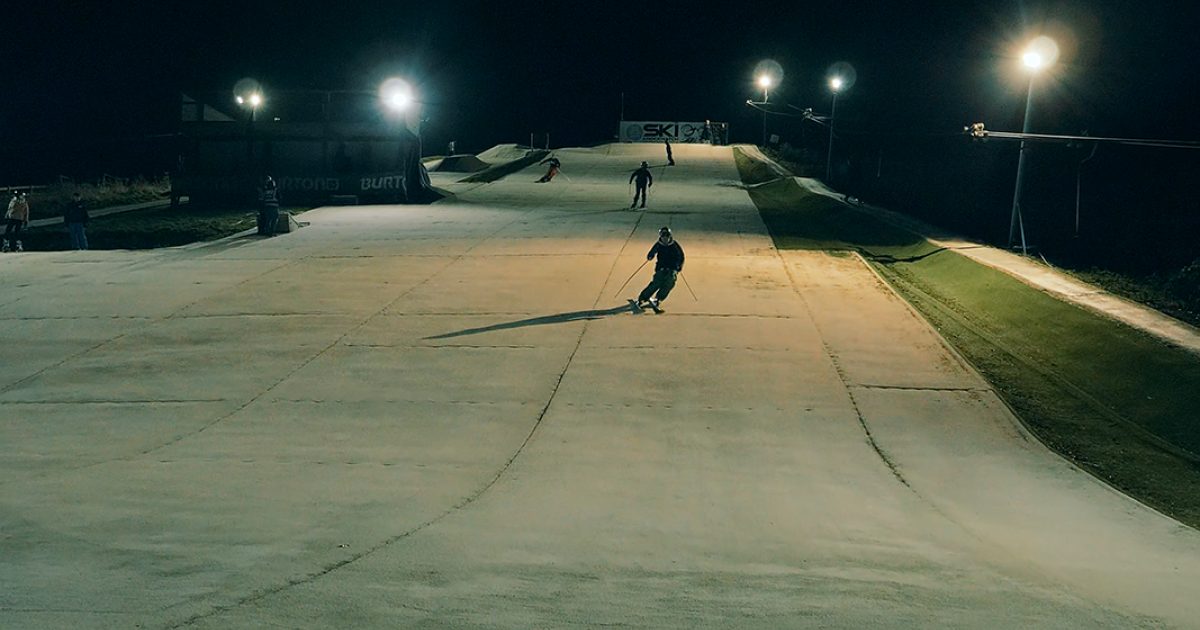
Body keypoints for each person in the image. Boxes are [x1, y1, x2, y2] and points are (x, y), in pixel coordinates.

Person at [636, 226, 685, 311]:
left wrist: (679, 266)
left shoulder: (674, 245)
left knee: (670, 282)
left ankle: (658, 298)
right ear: (661, 236)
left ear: (670, 236)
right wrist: (650, 256)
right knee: (656, 283)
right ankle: (642, 298)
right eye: (663, 236)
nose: (665, 239)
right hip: (661, 267)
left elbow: (681, 256)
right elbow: (652, 252)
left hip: (672, 268)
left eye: (667, 236)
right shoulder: (658, 245)